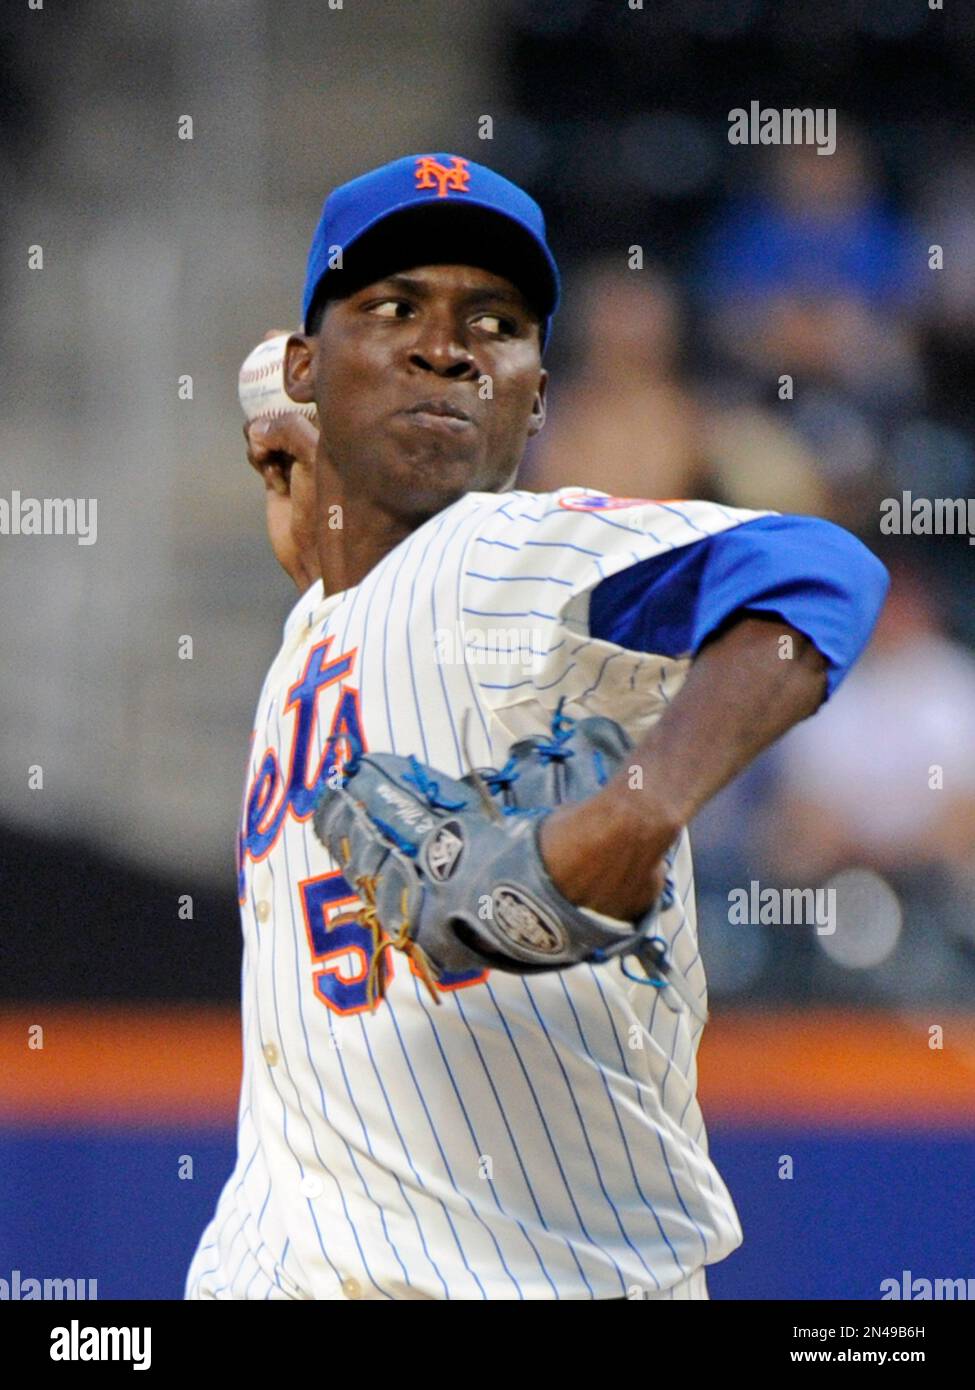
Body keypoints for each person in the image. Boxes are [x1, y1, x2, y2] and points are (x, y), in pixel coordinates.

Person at [185, 153, 888, 1301]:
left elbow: (818, 572)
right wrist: (317, 511)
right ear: (315, 367)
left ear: (537, 395)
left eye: (495, 323)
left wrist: (631, 813)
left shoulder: (502, 553)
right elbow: (321, 480)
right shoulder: (320, 614)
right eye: (397, 306)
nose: (448, 345)